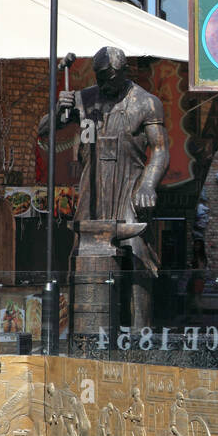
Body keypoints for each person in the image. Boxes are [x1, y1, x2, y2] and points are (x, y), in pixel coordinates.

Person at [55, 47, 169, 326]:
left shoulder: (147, 103)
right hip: (93, 188)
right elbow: (46, 129)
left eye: (110, 77)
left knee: (137, 252)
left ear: (124, 72)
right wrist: (60, 109)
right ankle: (83, 329)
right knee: (82, 253)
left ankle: (139, 334)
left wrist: (148, 186)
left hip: (130, 186)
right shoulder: (84, 99)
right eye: (100, 77)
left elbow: (161, 149)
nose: (105, 84)